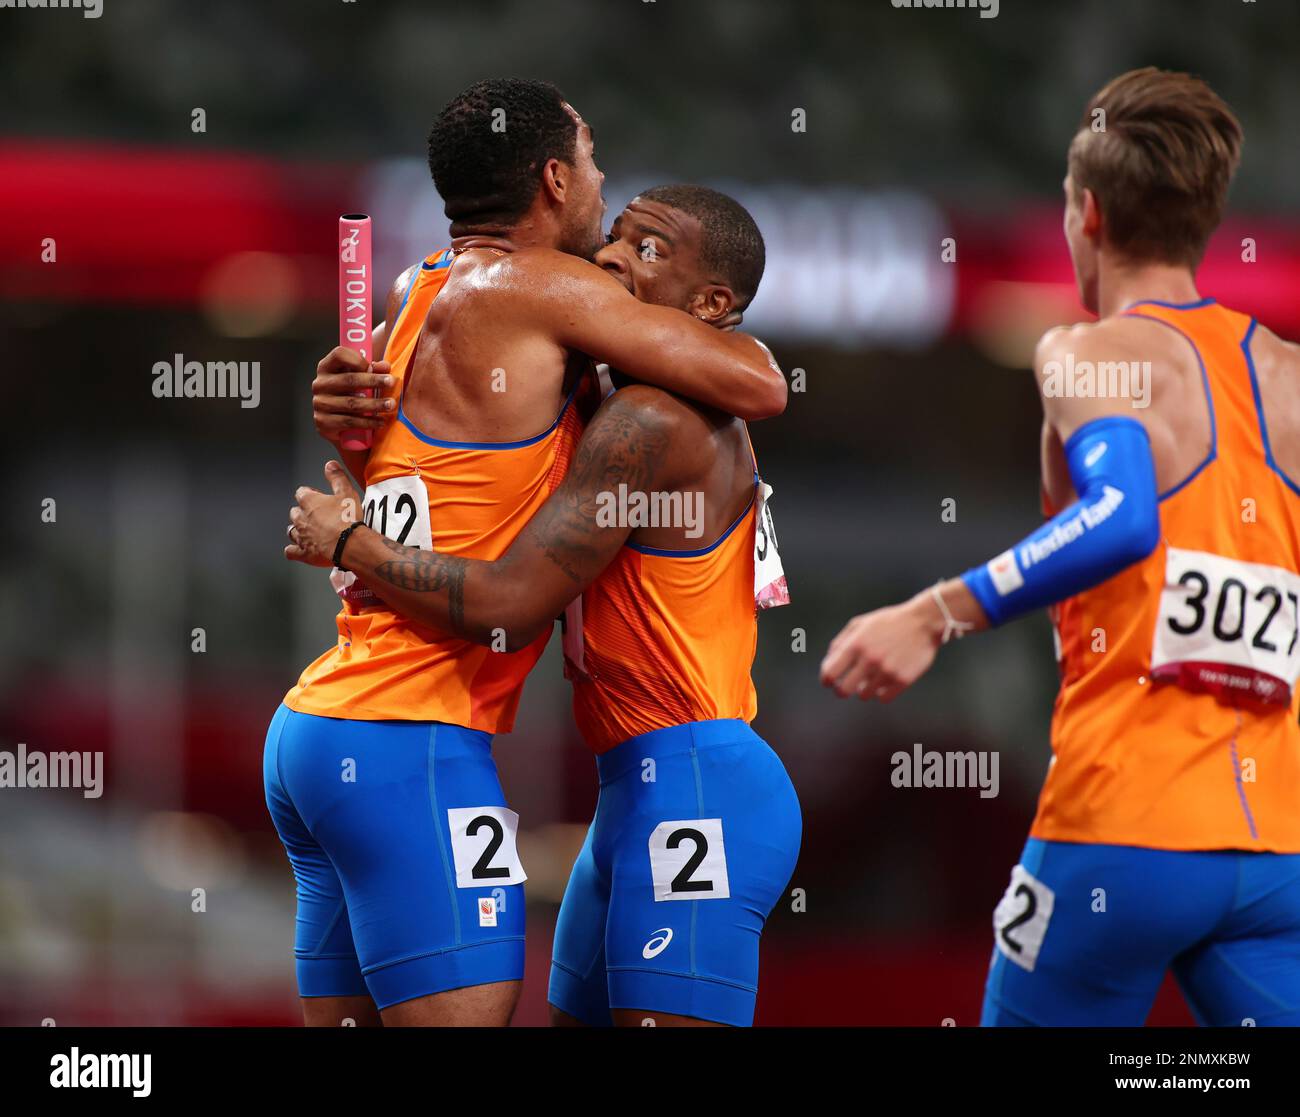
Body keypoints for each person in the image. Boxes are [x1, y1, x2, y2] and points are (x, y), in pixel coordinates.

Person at [266, 79, 785, 1028]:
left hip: (327, 730)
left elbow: (756, 374)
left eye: (649, 247)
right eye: (600, 184)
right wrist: (353, 525)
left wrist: (351, 509)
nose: (616, 252)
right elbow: (759, 377)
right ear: (556, 177)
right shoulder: (550, 293)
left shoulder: (418, 292)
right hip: (416, 740)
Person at [821, 67, 1300, 1026]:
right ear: (1205, 218)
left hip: (1124, 831)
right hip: (1278, 851)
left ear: (1085, 213)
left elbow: (1125, 516)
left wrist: (935, 610)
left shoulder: (1085, 350)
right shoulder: (1290, 375)